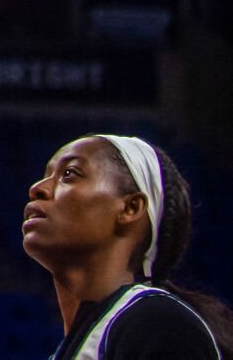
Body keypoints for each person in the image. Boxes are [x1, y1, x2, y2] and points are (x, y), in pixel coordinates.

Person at [24, 134, 232, 358]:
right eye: (45, 175)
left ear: (130, 208)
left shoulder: (159, 324)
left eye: (69, 174)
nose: (38, 188)